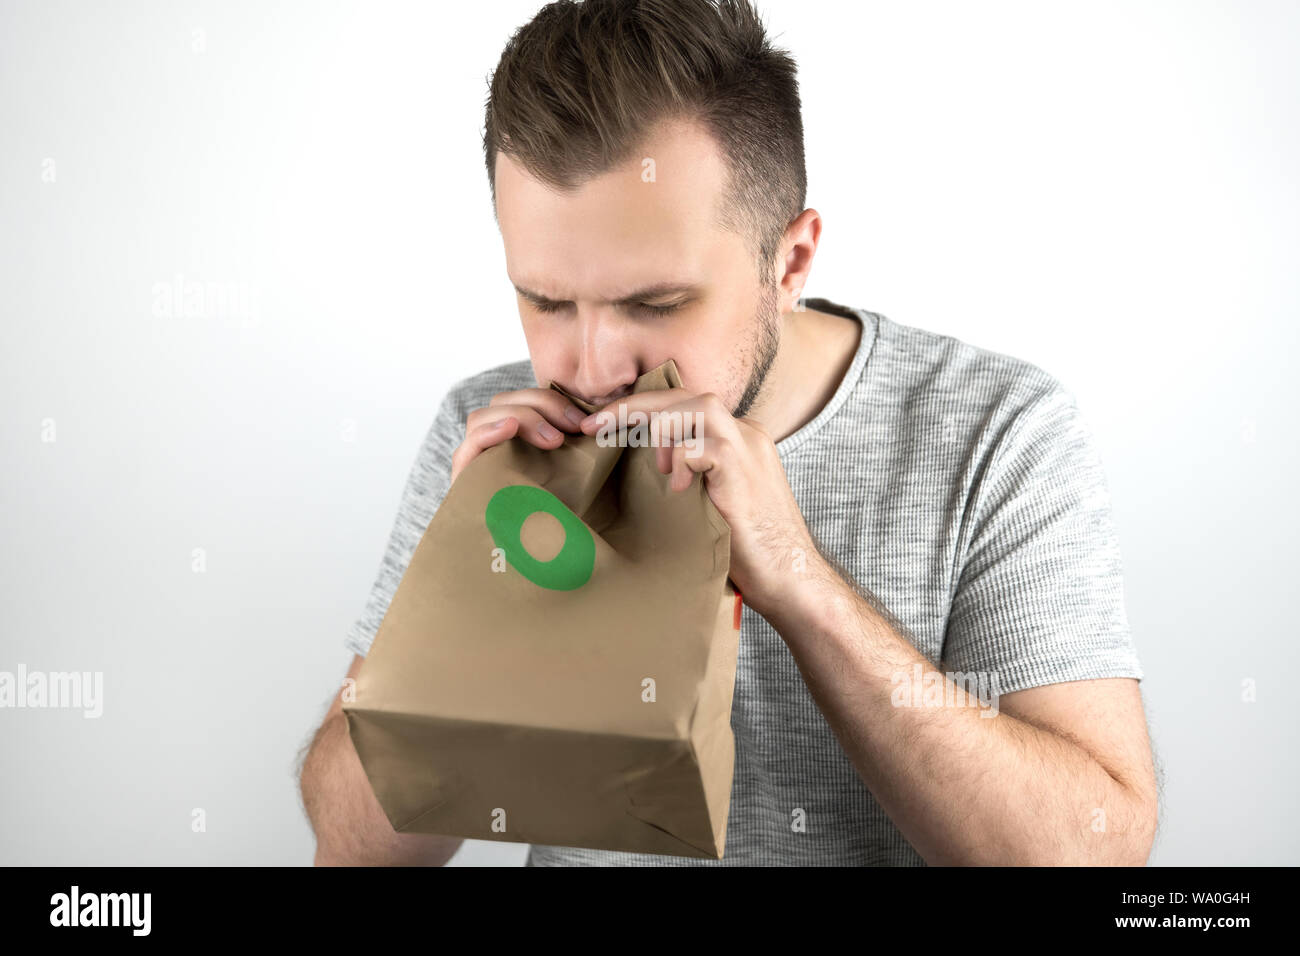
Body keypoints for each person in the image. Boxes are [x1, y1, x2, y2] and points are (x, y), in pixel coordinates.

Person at [299, 0, 1158, 866]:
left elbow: (1094, 854)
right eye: (547, 300)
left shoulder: (996, 433)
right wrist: (466, 599)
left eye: (656, 304)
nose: (593, 369)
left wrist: (796, 579)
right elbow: (356, 849)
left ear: (789, 265)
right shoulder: (489, 427)